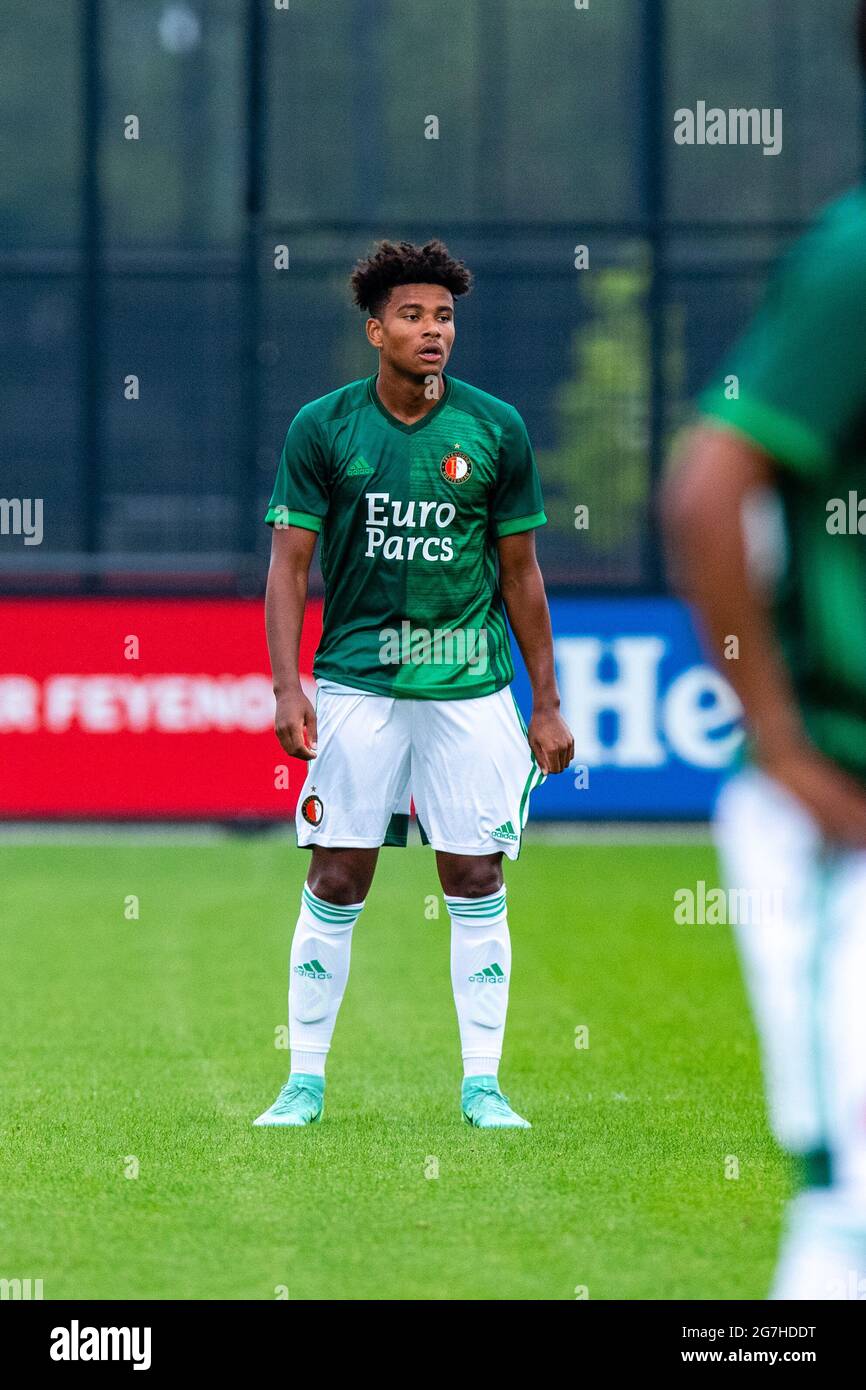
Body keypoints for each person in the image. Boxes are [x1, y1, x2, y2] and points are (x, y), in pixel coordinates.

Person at [254, 238, 574, 1129]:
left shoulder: (496, 428)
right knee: (339, 872)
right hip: (358, 685)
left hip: (471, 691)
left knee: (474, 873)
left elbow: (523, 574)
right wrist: (287, 687)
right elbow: (288, 566)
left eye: (444, 317)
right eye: (413, 316)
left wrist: (544, 701)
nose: (433, 331)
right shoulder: (323, 427)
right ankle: (303, 1082)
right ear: (374, 329)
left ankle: (483, 1087)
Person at [665, 5, 866, 1294]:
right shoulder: (854, 263)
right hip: (849, 815)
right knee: (846, 1217)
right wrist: (782, 741)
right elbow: (702, 490)